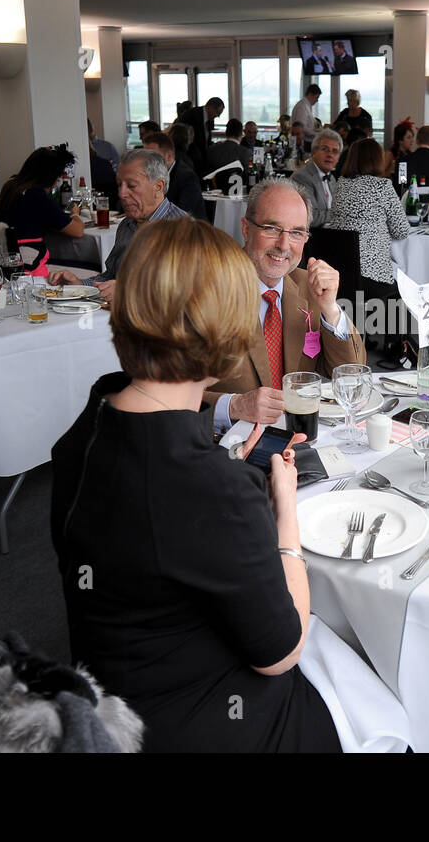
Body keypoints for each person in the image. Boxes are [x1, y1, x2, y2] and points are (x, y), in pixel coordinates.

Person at [50, 217, 341, 752]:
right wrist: (284, 519)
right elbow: (281, 650)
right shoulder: (214, 488)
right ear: (228, 333)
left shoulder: (87, 425)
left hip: (109, 697)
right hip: (201, 725)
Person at [204, 177, 366, 429]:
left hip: (299, 440)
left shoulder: (308, 287)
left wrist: (331, 310)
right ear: (246, 229)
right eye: (271, 228)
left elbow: (352, 379)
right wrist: (233, 406)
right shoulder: (205, 290)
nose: (283, 245)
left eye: (296, 233)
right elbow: (162, 395)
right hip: (227, 446)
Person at [49, 149, 189, 302]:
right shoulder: (126, 225)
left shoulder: (183, 230)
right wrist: (80, 285)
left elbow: (186, 293)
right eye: (119, 185)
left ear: (158, 186)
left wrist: (128, 292)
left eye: (132, 186)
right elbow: (110, 276)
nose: (121, 194)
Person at [325, 138, 410, 301]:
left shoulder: (340, 184)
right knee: (407, 290)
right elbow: (401, 231)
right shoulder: (382, 186)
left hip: (341, 274)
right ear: (377, 159)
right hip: (373, 277)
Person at [0, 146, 84, 278]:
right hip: (29, 267)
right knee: (93, 268)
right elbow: (78, 231)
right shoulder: (37, 196)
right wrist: (75, 213)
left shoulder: (10, 186)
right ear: (51, 178)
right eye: (57, 179)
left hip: (3, 262)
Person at [142, 130, 206, 220]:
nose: (146, 162)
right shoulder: (149, 175)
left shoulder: (187, 177)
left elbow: (181, 213)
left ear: (169, 156)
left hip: (189, 229)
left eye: (152, 157)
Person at [290, 128, 342, 227]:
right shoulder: (302, 177)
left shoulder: (332, 178)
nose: (330, 155)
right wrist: (340, 214)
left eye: (335, 151)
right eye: (325, 149)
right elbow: (310, 216)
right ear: (314, 151)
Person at [184, 97, 224, 166]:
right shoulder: (191, 115)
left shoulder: (210, 120)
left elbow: (205, 140)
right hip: (190, 160)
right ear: (210, 107)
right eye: (217, 113)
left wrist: (213, 145)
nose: (217, 116)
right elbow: (184, 139)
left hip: (202, 159)